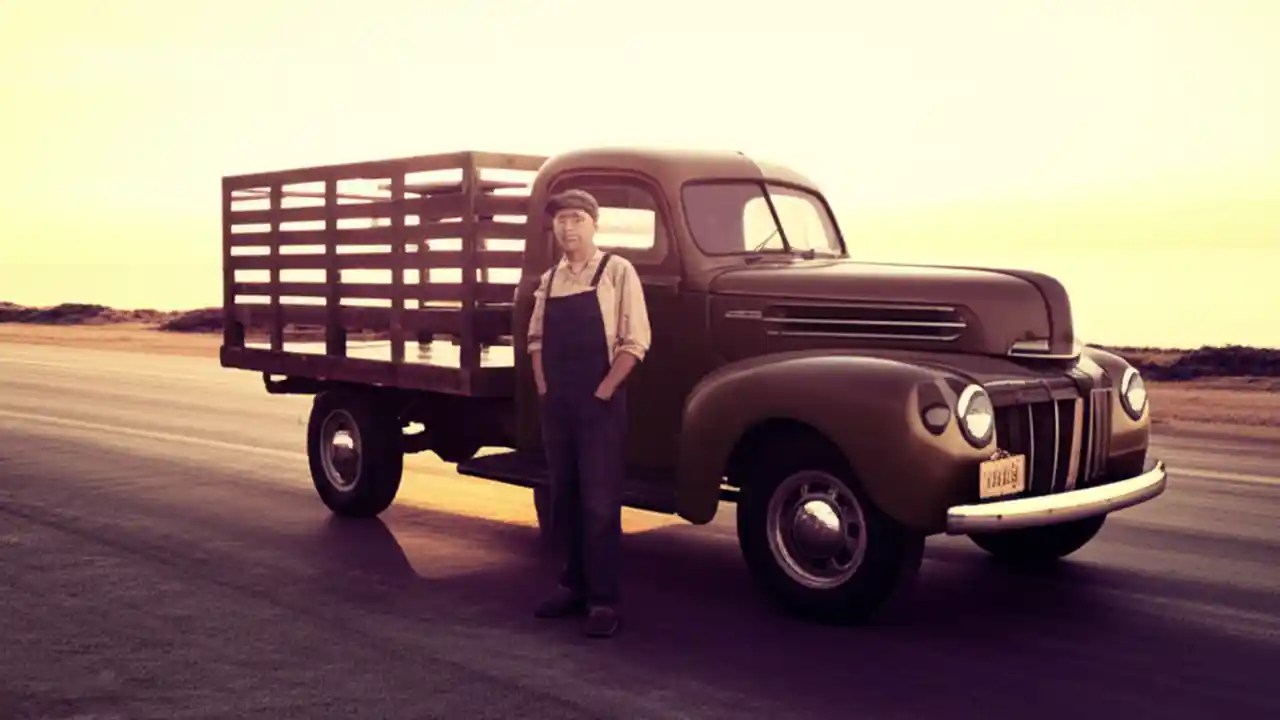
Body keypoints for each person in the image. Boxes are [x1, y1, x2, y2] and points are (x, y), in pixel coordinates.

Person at [526, 188, 651, 638]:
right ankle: (571, 586)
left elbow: (635, 342)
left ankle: (602, 600)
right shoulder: (551, 279)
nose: (568, 227)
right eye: (561, 220)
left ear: (594, 223)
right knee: (566, 497)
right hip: (558, 403)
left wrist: (603, 391)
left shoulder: (616, 272)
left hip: (599, 404)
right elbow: (536, 338)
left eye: (577, 218)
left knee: (600, 503)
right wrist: (544, 386)